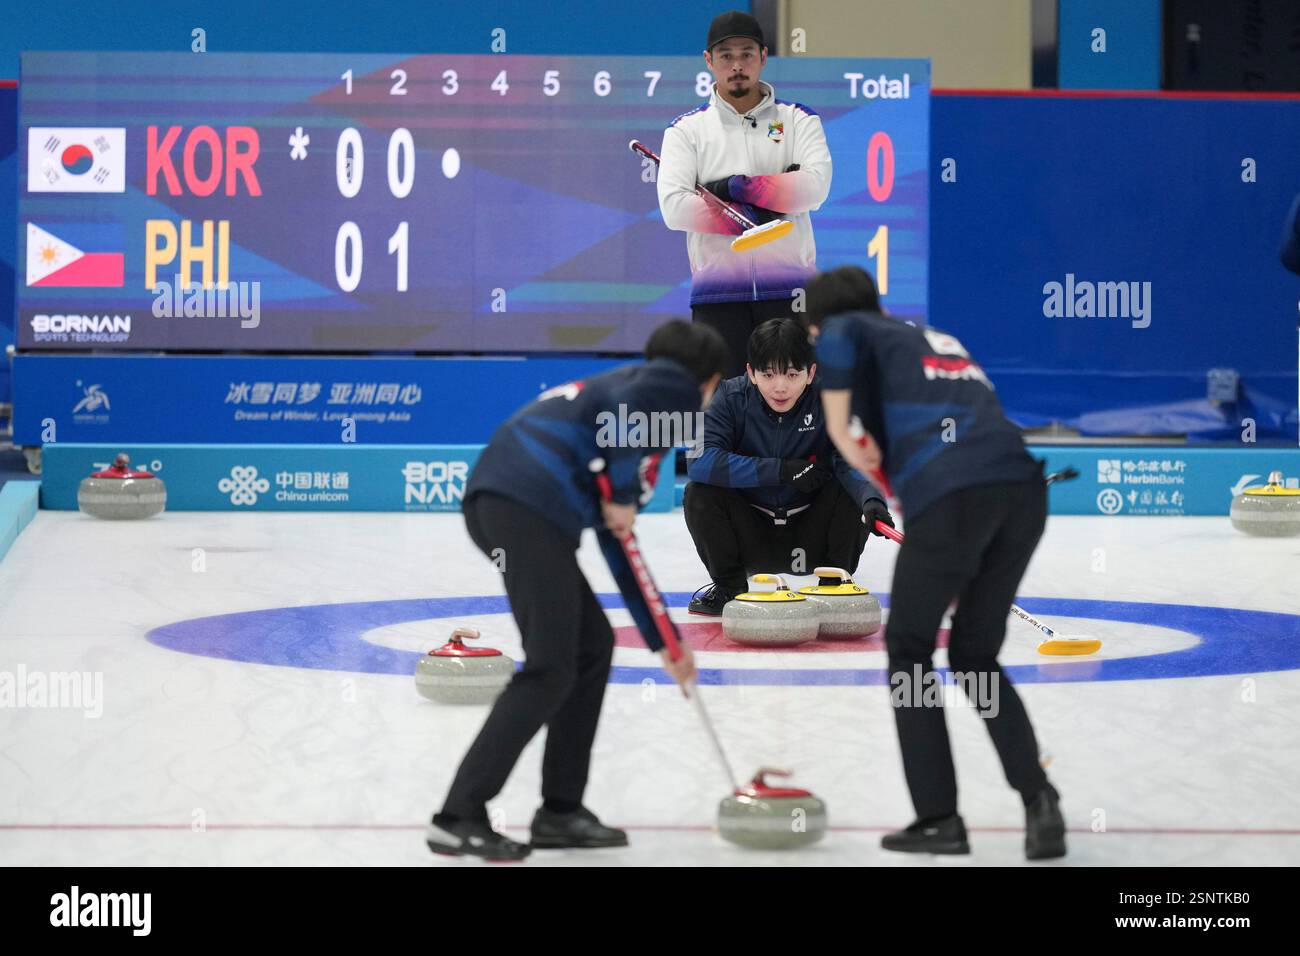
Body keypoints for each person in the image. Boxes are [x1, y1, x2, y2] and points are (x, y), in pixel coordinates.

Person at [427, 319, 727, 861]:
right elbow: (627, 434)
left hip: (507, 505)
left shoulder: (619, 392)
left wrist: (666, 644)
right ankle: (458, 815)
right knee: (550, 666)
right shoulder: (667, 388)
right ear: (702, 381)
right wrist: (617, 484)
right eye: (709, 391)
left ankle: (561, 811)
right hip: (522, 507)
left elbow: (620, 548)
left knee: (590, 646)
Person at [803, 266, 1066, 861]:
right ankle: (1039, 800)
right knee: (975, 656)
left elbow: (846, 429)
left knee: (911, 650)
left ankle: (939, 818)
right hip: (1022, 493)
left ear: (823, 323)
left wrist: (867, 458)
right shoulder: (936, 339)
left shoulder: (845, 331)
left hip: (952, 499)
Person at [657, 9, 832, 378]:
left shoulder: (799, 120)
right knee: (724, 410)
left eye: (746, 54)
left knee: (792, 404)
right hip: (717, 297)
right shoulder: (685, 131)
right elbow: (675, 208)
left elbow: (814, 189)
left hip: (791, 293)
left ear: (763, 57)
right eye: (726, 56)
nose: (737, 65)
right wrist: (755, 214)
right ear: (709, 61)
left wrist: (735, 187)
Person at [683, 318, 892, 614]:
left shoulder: (831, 399)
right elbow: (700, 462)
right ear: (751, 373)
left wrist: (873, 500)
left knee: (852, 491)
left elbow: (852, 462)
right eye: (768, 375)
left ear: (811, 373)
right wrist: (780, 470)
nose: (780, 387)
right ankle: (729, 589)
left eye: (792, 374)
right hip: (750, 533)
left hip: (812, 533)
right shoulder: (728, 397)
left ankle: (834, 588)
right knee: (699, 492)